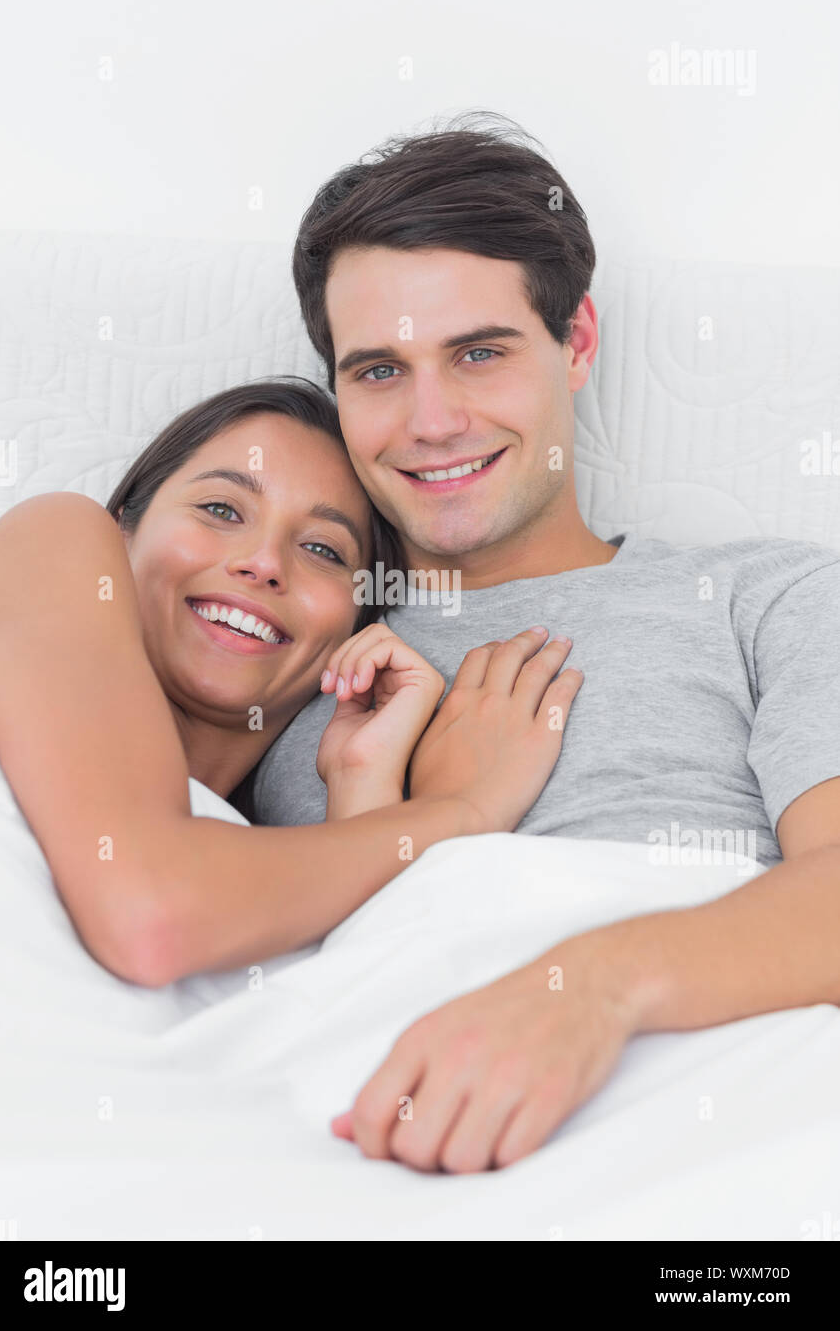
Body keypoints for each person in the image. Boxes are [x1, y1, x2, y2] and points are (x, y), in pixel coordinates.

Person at [253, 114, 840, 1174]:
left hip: (722, 1126)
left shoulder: (768, 597)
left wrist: (589, 989)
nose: (431, 421)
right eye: (378, 371)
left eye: (477, 353)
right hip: (372, 1139)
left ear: (574, 344)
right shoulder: (282, 659)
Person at [0, 378, 582, 990]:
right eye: (220, 510)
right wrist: (460, 812)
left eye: (323, 549)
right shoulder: (59, 533)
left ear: (353, 628)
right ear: (124, 529)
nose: (263, 564)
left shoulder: (262, 889)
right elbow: (149, 918)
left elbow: (366, 1029)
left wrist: (360, 787)